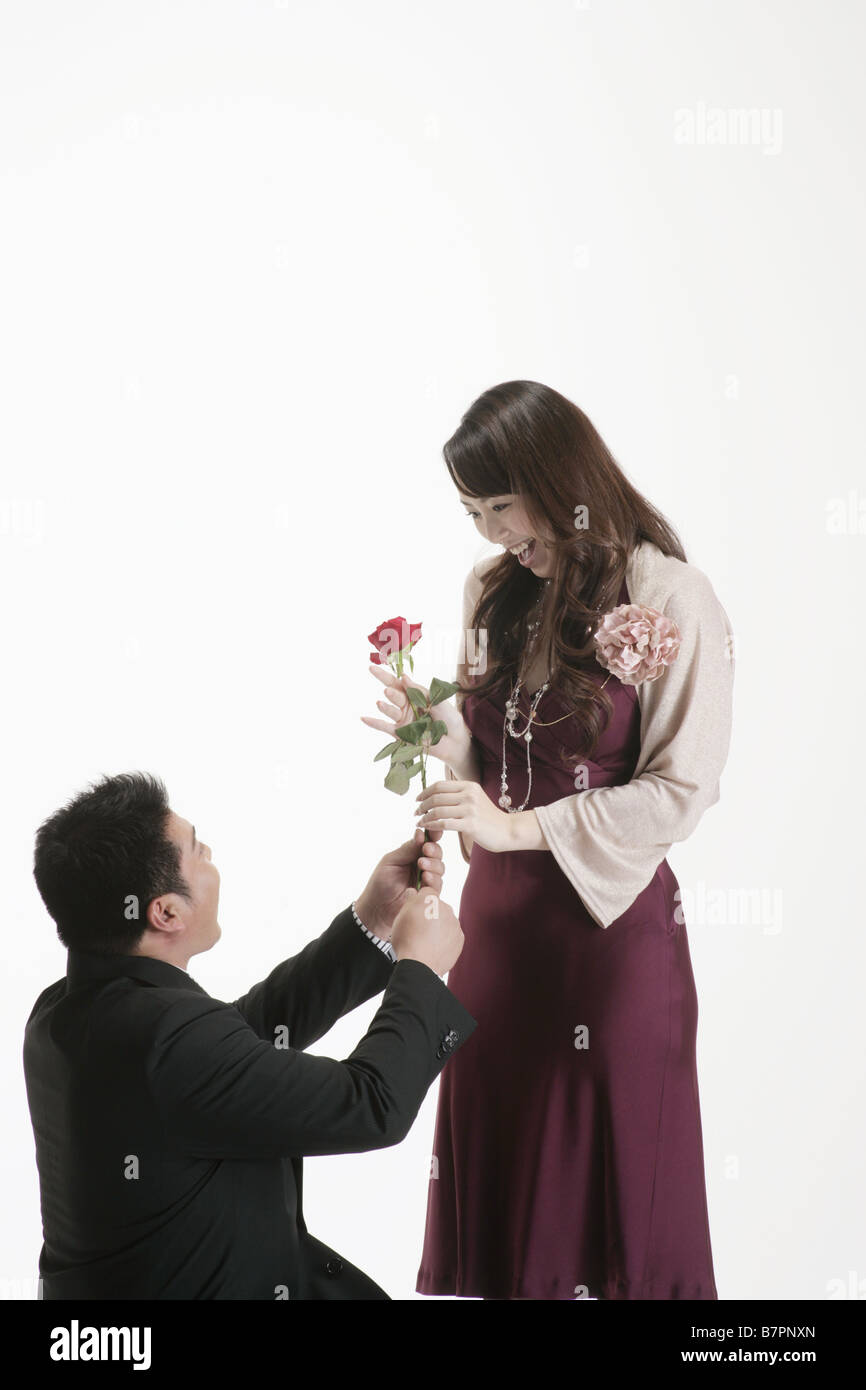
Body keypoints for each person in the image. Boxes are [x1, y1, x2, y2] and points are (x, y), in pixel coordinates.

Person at [362, 380, 735, 1300]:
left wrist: (514, 825)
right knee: (503, 1180)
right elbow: (490, 757)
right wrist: (433, 729)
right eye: (471, 511)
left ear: (558, 477)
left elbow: (682, 790)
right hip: (494, 934)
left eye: (500, 505)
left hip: (608, 938)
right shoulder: (493, 587)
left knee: (611, 1205)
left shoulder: (670, 596)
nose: (490, 533)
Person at [23, 770, 475, 1300]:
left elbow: (233, 1046)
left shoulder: (63, 1011)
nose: (211, 854)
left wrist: (371, 922)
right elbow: (371, 1105)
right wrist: (418, 968)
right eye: (198, 851)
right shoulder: (168, 1038)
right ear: (165, 912)